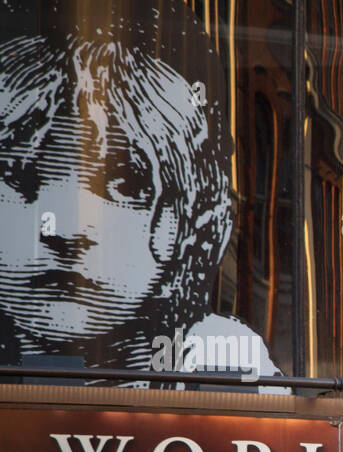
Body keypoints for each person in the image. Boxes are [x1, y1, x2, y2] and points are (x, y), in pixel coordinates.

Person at [0, 0, 282, 390]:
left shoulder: (233, 367)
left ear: (199, 227)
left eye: (126, 187)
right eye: (19, 175)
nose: (65, 230)